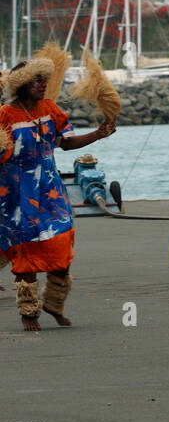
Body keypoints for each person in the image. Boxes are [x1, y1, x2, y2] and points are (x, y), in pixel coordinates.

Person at [0, 56, 116, 330]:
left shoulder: (50, 109)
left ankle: (54, 303)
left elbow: (65, 141)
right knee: (27, 247)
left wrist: (97, 134)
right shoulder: (5, 115)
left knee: (61, 242)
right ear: (22, 84)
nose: (43, 84)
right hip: (17, 193)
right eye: (37, 80)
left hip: (51, 191)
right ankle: (29, 312)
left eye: (44, 79)